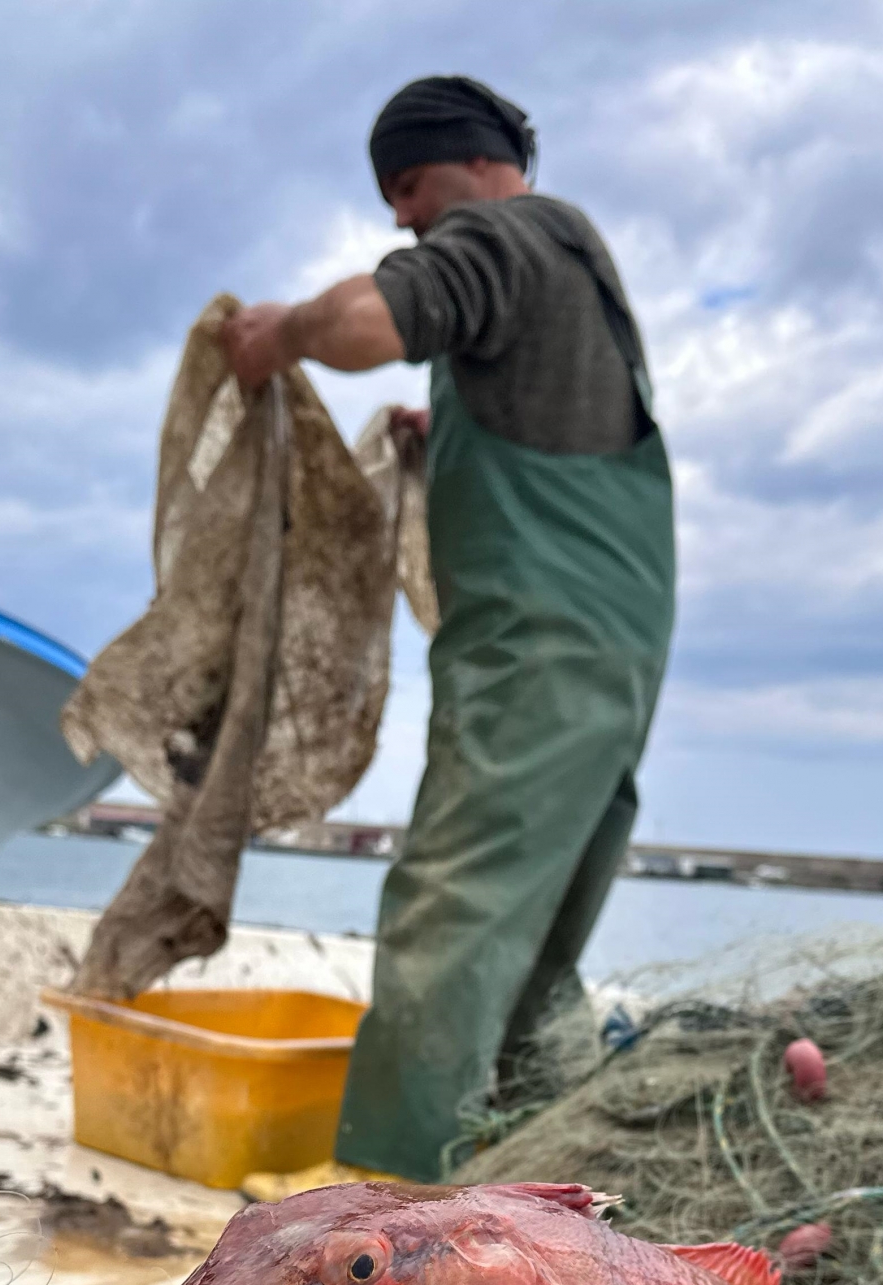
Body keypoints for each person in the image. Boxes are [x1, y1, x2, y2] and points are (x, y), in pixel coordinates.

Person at [221, 74, 675, 1198]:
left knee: (449, 917)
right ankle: (524, 1191)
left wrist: (279, 336)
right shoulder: (573, 270)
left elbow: (377, 318)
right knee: (533, 955)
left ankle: (387, 1220)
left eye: (407, 187)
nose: (400, 217)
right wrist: (449, 418)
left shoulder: (503, 235)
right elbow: (538, 425)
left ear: (467, 164)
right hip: (614, 659)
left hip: (533, 651)